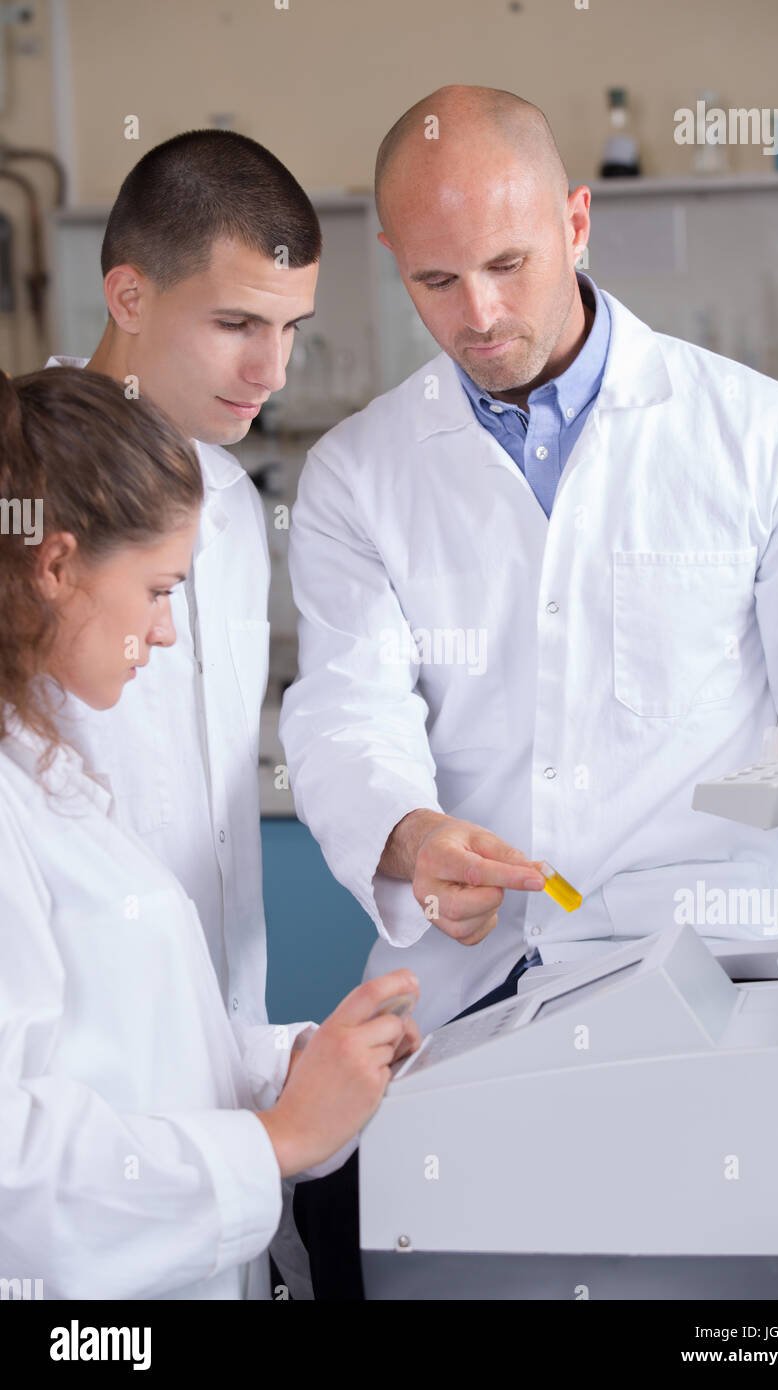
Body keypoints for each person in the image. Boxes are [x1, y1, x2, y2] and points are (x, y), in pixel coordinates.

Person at [279, 84, 778, 1296]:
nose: (479, 314)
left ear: (576, 221)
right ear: (389, 259)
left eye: (508, 262)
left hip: (702, 989)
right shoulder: (356, 477)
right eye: (436, 281)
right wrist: (406, 831)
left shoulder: (752, 432)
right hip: (468, 995)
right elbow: (347, 708)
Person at [0, 366, 420, 1300]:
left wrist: (296, 1069)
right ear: (57, 564)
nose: (164, 634)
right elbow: (14, 1166)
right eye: (156, 591)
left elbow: (133, 1052)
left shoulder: (54, 775)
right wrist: (277, 1140)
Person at [45, 129, 320, 1293]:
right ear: (129, 292)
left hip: (223, 1085)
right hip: (70, 1125)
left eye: (292, 330)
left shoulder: (226, 501)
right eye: (237, 324)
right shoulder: (26, 495)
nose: (273, 372)